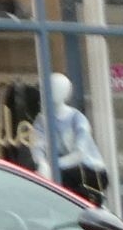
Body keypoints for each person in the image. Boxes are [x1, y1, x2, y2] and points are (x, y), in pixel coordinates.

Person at [33, 70, 110, 204]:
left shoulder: (76, 118)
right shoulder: (42, 120)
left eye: (56, 89)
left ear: (65, 93)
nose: (50, 92)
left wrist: (52, 165)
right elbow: (37, 146)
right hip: (63, 170)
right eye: (49, 89)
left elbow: (79, 153)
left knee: (58, 182)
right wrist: (42, 163)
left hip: (89, 170)